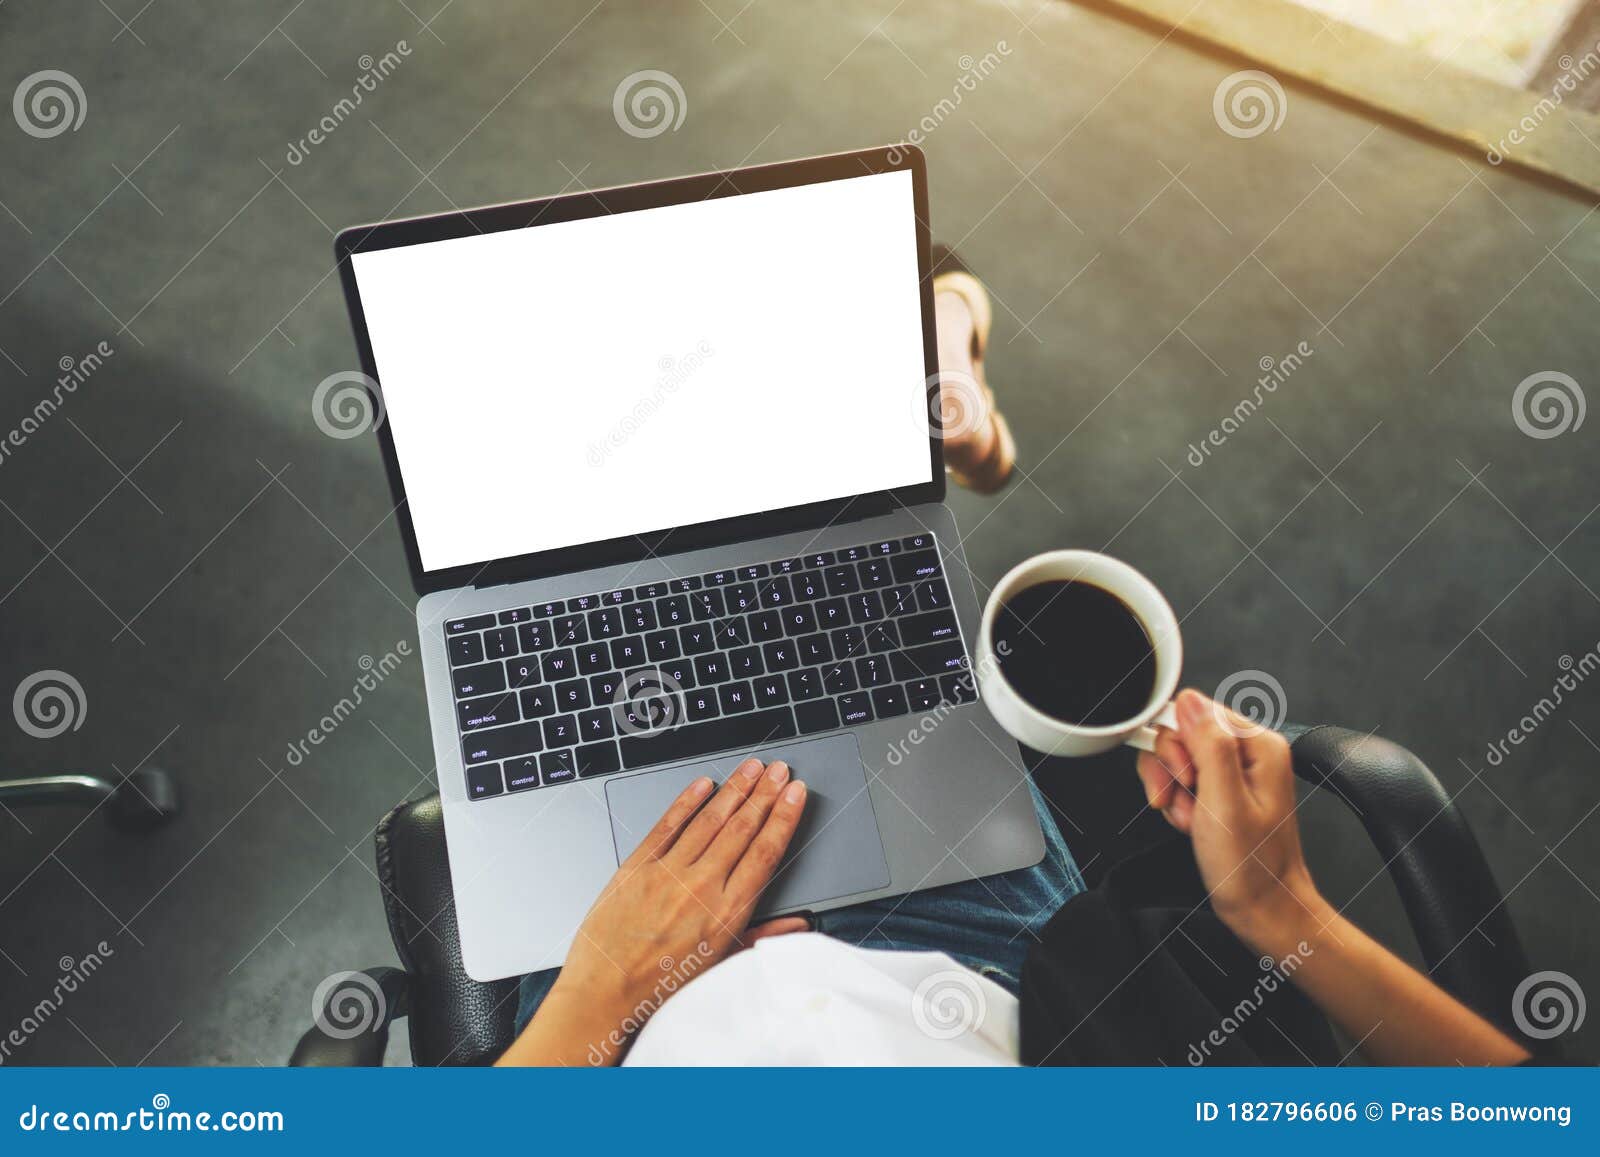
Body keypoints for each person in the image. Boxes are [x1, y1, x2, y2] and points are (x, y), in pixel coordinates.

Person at [496, 256, 1530, 1068]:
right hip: (998, 999)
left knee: (727, 595)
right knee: (849, 608)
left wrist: (602, 993)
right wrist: (1281, 909)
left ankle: (933, 327)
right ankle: (939, 336)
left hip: (620, 1031)